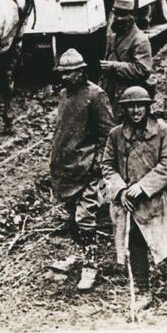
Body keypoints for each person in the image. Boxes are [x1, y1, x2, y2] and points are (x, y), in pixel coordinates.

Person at [102, 85, 167, 320]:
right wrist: (120, 190)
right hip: (129, 205)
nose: (136, 111)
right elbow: (107, 166)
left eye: (140, 106)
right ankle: (144, 293)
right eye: (130, 107)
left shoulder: (163, 131)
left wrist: (143, 187)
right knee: (136, 247)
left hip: (156, 201)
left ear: (148, 107)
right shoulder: (116, 134)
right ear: (124, 109)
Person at [46, 49, 115, 292]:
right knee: (72, 217)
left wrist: (99, 165)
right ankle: (81, 255)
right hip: (66, 169)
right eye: (63, 73)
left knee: (85, 219)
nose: (65, 78)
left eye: (71, 73)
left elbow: (108, 133)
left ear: (82, 71)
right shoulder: (65, 94)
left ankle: (91, 265)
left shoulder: (96, 95)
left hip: (89, 170)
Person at [99, 0, 153, 103]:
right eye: (116, 14)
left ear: (132, 16)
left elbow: (142, 70)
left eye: (123, 15)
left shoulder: (140, 40)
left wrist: (114, 66)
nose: (118, 18)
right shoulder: (113, 37)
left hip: (129, 97)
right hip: (110, 92)